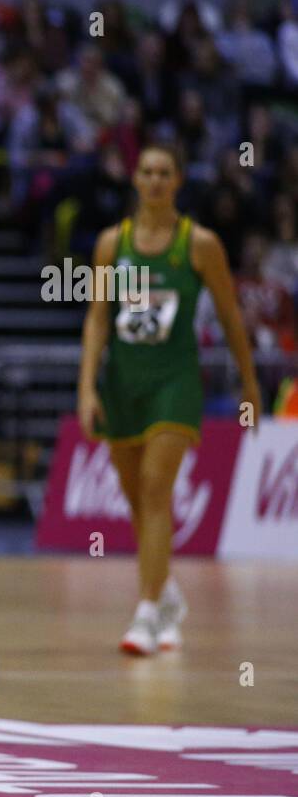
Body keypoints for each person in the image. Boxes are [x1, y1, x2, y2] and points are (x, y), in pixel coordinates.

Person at [77, 143, 262, 656]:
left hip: (175, 385)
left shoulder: (200, 245)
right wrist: (87, 385)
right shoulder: (112, 245)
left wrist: (250, 386)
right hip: (122, 384)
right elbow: (96, 317)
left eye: (165, 172)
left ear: (178, 181)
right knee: (138, 500)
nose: (155, 180)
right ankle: (167, 595)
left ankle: (145, 612)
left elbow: (230, 317)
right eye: (147, 172)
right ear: (135, 179)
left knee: (158, 489)